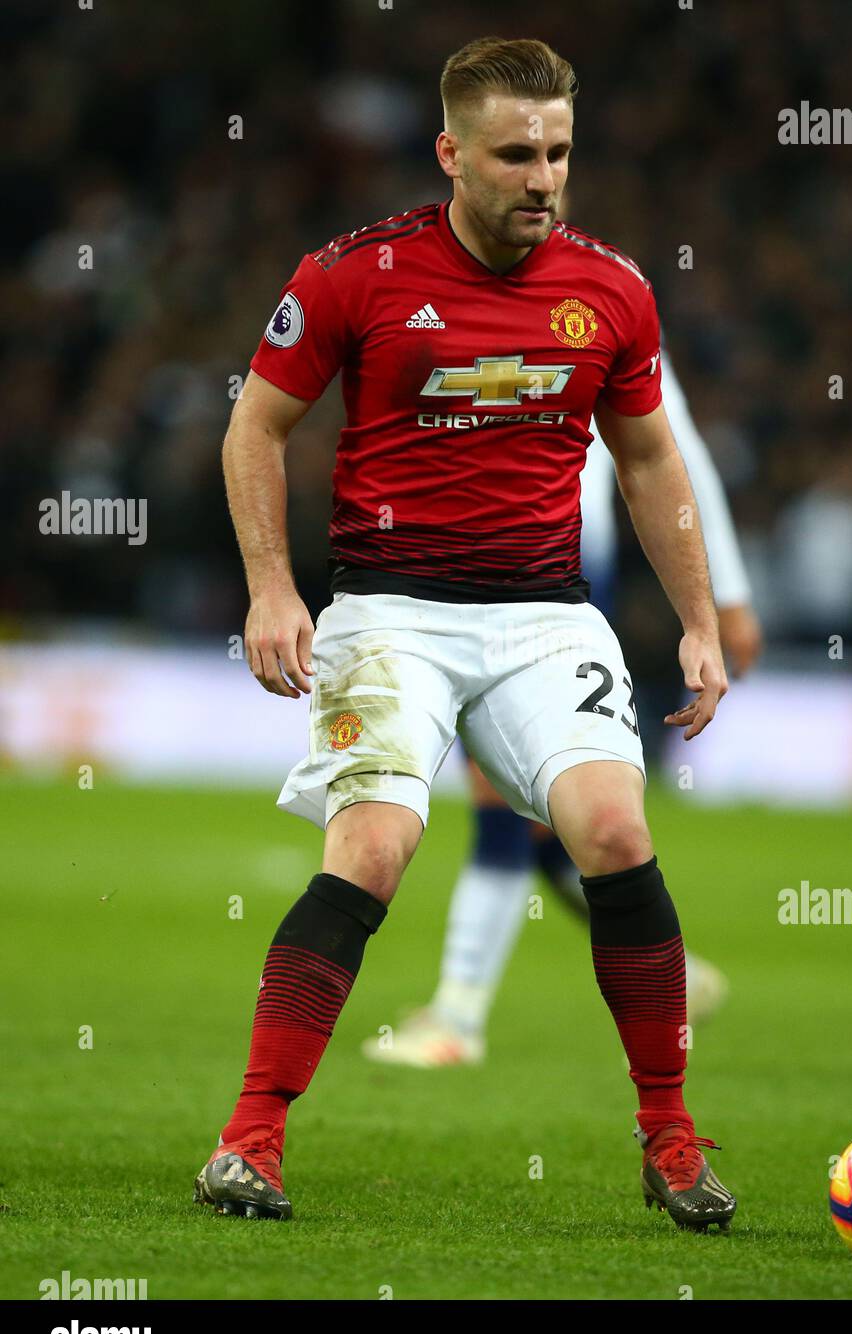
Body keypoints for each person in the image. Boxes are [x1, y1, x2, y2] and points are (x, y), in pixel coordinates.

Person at [195, 35, 736, 1233]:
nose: (542, 178)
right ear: (451, 153)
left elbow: (650, 458)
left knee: (613, 828)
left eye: (558, 154)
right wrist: (273, 587)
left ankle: (671, 1138)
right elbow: (254, 428)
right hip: (390, 611)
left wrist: (697, 620)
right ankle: (251, 1139)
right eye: (515, 154)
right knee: (376, 848)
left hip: (546, 616)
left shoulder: (614, 289)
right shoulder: (356, 274)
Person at [363, 345, 762, 1067]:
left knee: (508, 799)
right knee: (549, 821)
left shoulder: (602, 302)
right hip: (451, 571)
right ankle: (676, 975)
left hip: (557, 575)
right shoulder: (451, 293)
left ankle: (458, 1016)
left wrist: (725, 594)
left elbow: (679, 454)